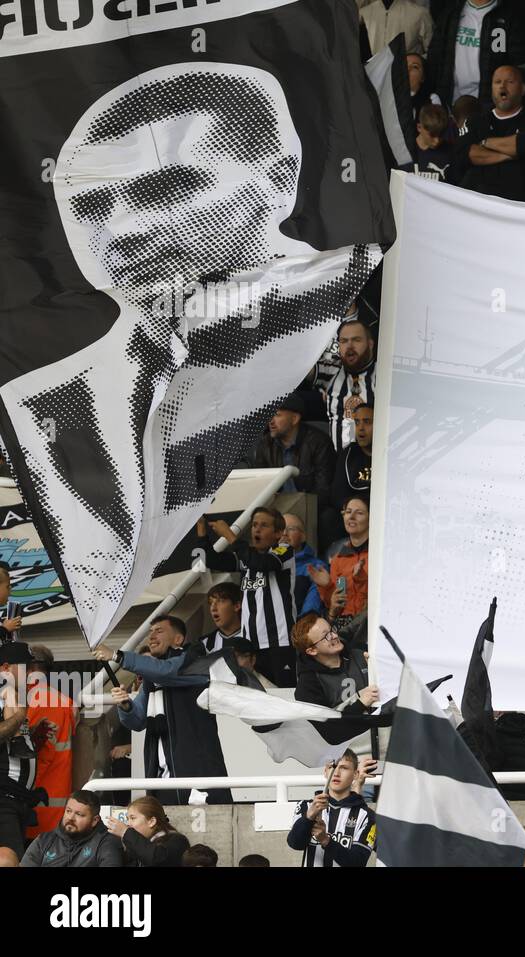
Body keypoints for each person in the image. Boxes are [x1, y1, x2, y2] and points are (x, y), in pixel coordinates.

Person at [17, 65, 378, 642]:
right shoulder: (41, 406)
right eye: (94, 201)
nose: (121, 227)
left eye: (163, 189)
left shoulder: (318, 316)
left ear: (277, 179)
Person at [96, 616, 232, 805]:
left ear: (178, 639)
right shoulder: (153, 678)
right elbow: (137, 721)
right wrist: (125, 705)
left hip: (197, 777)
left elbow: (167, 671)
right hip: (160, 781)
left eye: (159, 631)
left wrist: (117, 656)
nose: (151, 637)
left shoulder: (196, 660)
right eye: (150, 632)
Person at [199, 509, 298, 688]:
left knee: (284, 695)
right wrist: (201, 530)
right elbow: (210, 560)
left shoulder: (283, 550)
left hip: (280, 643)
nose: (257, 529)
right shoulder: (246, 558)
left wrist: (229, 535)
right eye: (254, 525)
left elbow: (263, 563)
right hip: (251, 647)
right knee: (256, 698)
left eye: (264, 525)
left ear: (278, 533)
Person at [459, 65, 525, 203]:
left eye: (510, 82)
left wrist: (484, 142)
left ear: (523, 89)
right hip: (480, 202)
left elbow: (524, 145)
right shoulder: (474, 121)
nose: (502, 86)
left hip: (522, 203)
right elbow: (467, 154)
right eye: (497, 82)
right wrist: (512, 155)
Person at [430, 0, 525, 107]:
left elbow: (517, 63)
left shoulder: (511, 16)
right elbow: (435, 55)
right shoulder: (451, 11)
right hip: (448, 100)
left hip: (489, 102)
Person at [288, 751, 377, 867]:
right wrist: (308, 818)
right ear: (325, 772)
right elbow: (295, 844)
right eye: (331, 767)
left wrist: (325, 840)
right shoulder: (306, 806)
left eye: (344, 768)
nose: (336, 773)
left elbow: (358, 862)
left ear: (355, 774)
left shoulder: (368, 816)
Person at [24, 644, 75, 839]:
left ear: (30, 667)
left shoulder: (38, 700)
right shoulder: (59, 700)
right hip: (51, 802)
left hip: (39, 807)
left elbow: (41, 755)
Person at [292, 614, 379, 717]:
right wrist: (359, 705)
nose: (335, 635)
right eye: (327, 636)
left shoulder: (361, 654)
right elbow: (326, 724)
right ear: (312, 650)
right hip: (357, 727)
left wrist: (377, 668)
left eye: (332, 630)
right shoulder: (308, 686)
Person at [251, 394, 335, 499]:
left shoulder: (319, 442)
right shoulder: (265, 444)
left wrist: (299, 506)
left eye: (277, 415)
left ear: (294, 419)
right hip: (275, 505)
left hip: (310, 504)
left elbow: (323, 490)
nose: (271, 421)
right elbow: (259, 486)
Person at [20, 791, 124, 867]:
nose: (71, 818)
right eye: (68, 811)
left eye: (79, 814)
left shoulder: (106, 841)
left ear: (94, 820)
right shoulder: (44, 840)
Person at [309, 496, 371, 624]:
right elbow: (335, 605)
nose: (351, 517)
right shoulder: (338, 558)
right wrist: (327, 587)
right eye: (348, 512)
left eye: (359, 513)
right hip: (345, 626)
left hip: (370, 624)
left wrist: (362, 579)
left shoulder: (379, 553)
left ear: (371, 518)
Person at [0, 642, 36, 859]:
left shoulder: (13, 696)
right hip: (4, 799)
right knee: (9, 860)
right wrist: (20, 716)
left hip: (17, 800)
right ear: (6, 668)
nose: (31, 673)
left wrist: (35, 734)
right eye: (25, 667)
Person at [323, 318, 378, 453]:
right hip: (341, 462)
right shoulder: (333, 379)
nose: (349, 346)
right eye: (344, 341)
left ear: (370, 344)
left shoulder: (385, 377)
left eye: (356, 340)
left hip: (379, 460)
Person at [104, 796, 190, 867]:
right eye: (127, 819)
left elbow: (157, 859)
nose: (128, 824)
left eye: (133, 818)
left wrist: (126, 832)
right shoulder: (137, 845)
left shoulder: (178, 841)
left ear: (151, 822)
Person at [281, 513, 327, 618]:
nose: (284, 533)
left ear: (303, 536)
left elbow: (310, 610)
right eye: (281, 529)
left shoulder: (316, 567)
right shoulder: (265, 565)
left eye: (291, 529)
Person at [359, 0, 433, 56]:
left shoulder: (420, 14)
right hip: (370, 70)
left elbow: (432, 53)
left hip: (405, 71)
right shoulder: (362, 14)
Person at [412, 103, 460, 183]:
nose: (437, 141)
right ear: (419, 127)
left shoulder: (451, 152)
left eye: (441, 135)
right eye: (432, 135)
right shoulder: (406, 153)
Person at [201, 581, 244, 653]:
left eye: (220, 601)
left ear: (237, 606)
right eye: (211, 603)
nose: (213, 608)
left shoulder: (256, 637)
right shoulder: (205, 645)